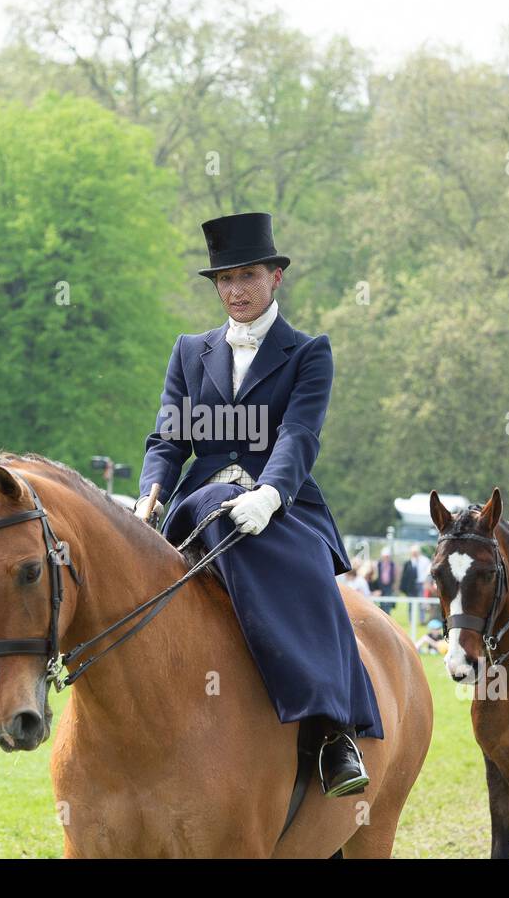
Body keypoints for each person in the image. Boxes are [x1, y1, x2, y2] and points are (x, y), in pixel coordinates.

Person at [136, 211, 381, 797]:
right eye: (224, 280)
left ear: (275, 278)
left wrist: (270, 492)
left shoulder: (308, 352)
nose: (235, 291)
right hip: (198, 502)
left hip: (282, 500)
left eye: (247, 276)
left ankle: (331, 730)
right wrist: (149, 499)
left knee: (309, 578)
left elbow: (300, 434)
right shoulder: (189, 350)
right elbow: (169, 439)